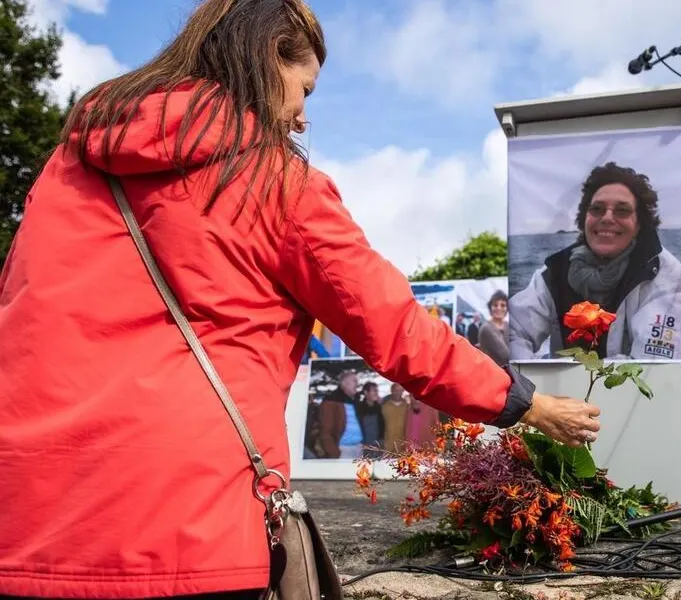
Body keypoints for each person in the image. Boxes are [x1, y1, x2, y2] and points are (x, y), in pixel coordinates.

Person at [0, 1, 601, 598]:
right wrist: (527, 404)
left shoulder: (65, 170)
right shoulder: (277, 186)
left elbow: (18, 309)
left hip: (26, 524)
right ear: (264, 60)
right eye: (303, 88)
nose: (303, 117)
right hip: (188, 529)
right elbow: (396, 329)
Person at [509, 162, 681, 361]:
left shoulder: (669, 279)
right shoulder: (554, 273)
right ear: (585, 219)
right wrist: (531, 381)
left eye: (622, 211)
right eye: (597, 209)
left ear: (639, 225)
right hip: (555, 393)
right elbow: (511, 330)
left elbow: (657, 368)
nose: (607, 218)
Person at [478, 289, 510, 365]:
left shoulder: (507, 325)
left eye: (503, 305)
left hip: (507, 371)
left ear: (507, 308)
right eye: (495, 305)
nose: (499, 308)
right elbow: (505, 356)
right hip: (492, 372)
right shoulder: (486, 328)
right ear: (490, 308)